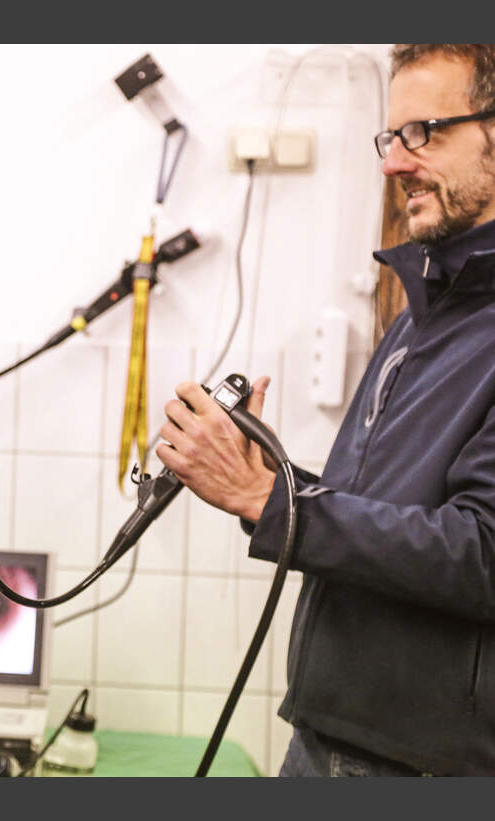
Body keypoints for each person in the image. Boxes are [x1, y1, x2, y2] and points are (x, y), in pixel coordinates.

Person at [156, 43, 495, 777]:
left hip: (419, 765)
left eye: (425, 132)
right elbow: (383, 514)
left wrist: (270, 499)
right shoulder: (423, 313)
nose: (394, 163)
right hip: (329, 736)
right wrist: (259, 478)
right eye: (391, 137)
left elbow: (482, 552)